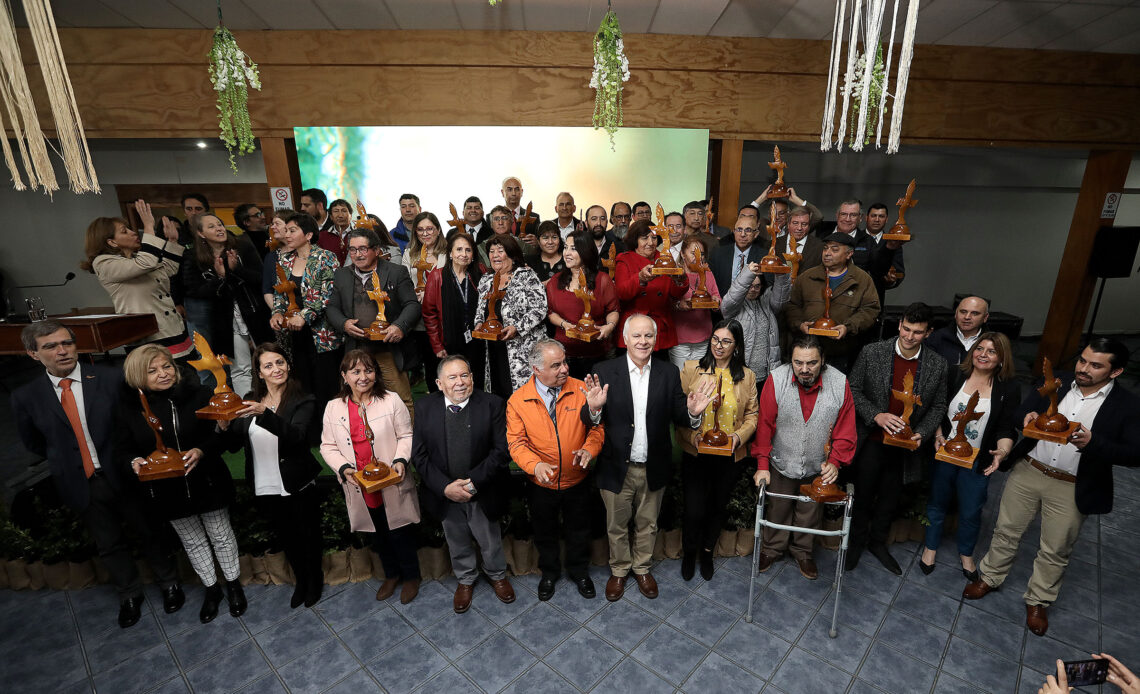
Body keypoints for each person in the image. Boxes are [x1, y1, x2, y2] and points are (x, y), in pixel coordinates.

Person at [964, 338, 1140, 637]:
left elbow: (1134, 454)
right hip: (1029, 470)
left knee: (1056, 548)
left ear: (1116, 372)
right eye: (1082, 360)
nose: (1084, 369)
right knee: (1006, 530)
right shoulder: (1056, 381)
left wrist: (1094, 443)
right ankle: (990, 577)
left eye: (1095, 365)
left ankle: (1038, 601)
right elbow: (1021, 413)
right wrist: (1027, 417)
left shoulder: (1127, 405)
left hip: (1072, 484)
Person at [11, 321, 181, 628]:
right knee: (108, 543)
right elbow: (35, 443)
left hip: (125, 472)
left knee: (149, 531)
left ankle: (170, 583)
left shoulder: (110, 378)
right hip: (79, 481)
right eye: (50, 346)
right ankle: (129, 593)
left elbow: (137, 420)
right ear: (33, 354)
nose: (62, 351)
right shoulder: (26, 397)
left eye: (67, 343)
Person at [586, 314, 714, 601]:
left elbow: (681, 413)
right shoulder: (604, 371)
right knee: (616, 526)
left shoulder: (668, 373)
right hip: (615, 465)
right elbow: (589, 419)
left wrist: (693, 412)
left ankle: (642, 568)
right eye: (637, 336)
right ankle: (619, 572)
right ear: (625, 339)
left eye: (648, 336)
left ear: (656, 340)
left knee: (648, 524)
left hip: (653, 464)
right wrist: (593, 409)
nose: (643, 341)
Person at [117, 344, 244, 624]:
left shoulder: (200, 394)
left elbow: (224, 440)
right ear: (138, 376)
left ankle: (234, 586)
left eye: (166, 367)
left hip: (208, 480)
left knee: (221, 535)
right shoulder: (131, 409)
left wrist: (202, 449)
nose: (163, 374)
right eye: (152, 371)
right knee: (193, 541)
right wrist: (135, 461)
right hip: (166, 490)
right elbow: (123, 448)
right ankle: (212, 590)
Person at [846, 302, 948, 574]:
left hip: (905, 446)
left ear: (928, 333)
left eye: (917, 332)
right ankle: (855, 543)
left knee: (891, 496)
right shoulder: (872, 352)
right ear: (899, 324)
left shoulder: (937, 365)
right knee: (863, 494)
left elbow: (939, 405)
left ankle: (877, 543)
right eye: (906, 328)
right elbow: (853, 389)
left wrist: (922, 433)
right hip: (872, 440)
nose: (909, 336)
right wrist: (876, 415)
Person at [221, 343, 324, 608]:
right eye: (268, 365)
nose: (276, 369)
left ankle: (315, 581)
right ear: (259, 372)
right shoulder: (248, 397)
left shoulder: (303, 399)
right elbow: (234, 444)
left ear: (288, 365)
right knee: (287, 537)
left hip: (297, 481)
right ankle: (301, 581)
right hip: (265, 483)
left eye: (280, 362)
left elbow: (298, 438)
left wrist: (265, 414)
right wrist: (223, 427)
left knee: (308, 535)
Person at [411, 355, 514, 613]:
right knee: (456, 539)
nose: (460, 382)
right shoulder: (424, 408)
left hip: (483, 488)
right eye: (452, 377)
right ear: (439, 383)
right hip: (446, 493)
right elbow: (419, 456)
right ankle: (466, 579)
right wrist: (446, 487)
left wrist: (473, 483)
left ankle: (497, 574)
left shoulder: (492, 404)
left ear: (472, 377)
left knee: (489, 539)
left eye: (465, 375)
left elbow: (502, 451)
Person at [320, 350, 423, 604]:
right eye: (355, 372)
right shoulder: (334, 407)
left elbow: (407, 435)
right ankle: (391, 574)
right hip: (360, 484)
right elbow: (327, 446)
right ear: (344, 376)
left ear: (376, 374)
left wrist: (400, 460)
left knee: (399, 530)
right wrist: (344, 469)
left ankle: (411, 577)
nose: (363, 377)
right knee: (377, 531)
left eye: (368, 370)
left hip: (391, 481)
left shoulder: (392, 400)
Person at [752, 335, 856, 579]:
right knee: (777, 508)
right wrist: (762, 464)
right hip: (781, 460)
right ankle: (771, 548)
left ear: (823, 361)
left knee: (809, 513)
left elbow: (846, 428)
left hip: (817, 465)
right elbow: (764, 425)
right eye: (798, 363)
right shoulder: (776, 379)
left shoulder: (840, 383)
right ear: (791, 361)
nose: (804, 369)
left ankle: (803, 552)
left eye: (811, 363)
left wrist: (836, 462)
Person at [507, 340, 605, 601]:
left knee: (579, 530)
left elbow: (597, 429)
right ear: (536, 370)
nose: (564, 368)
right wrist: (534, 465)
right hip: (542, 484)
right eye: (556, 365)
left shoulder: (582, 388)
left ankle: (579, 572)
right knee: (545, 532)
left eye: (564, 362)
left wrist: (589, 450)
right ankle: (549, 573)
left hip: (578, 479)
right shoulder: (518, 401)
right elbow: (516, 443)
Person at [921, 332, 1019, 580]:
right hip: (944, 454)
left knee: (971, 510)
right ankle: (930, 547)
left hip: (978, 460)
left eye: (991, 351)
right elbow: (936, 408)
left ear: (1001, 358)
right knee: (937, 503)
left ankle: (966, 553)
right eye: (980, 348)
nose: (983, 355)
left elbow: (1007, 428)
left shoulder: (1009, 388)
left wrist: (1003, 452)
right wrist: (938, 434)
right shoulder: (954, 374)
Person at [678, 320, 759, 580]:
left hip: (729, 456)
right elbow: (679, 412)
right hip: (697, 454)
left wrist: (738, 437)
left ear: (736, 346)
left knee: (717, 506)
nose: (718, 346)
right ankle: (689, 552)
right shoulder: (691, 369)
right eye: (715, 339)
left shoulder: (747, 376)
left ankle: (706, 552)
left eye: (726, 341)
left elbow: (752, 415)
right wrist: (693, 438)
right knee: (694, 509)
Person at [82, 200, 193, 359]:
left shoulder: (137, 259)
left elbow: (168, 268)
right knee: (162, 378)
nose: (133, 232)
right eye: (124, 231)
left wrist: (173, 242)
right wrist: (148, 226)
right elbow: (146, 262)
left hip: (171, 328)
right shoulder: (103, 263)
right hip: (149, 336)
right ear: (112, 242)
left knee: (186, 376)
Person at [326, 228, 419, 414]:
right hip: (357, 348)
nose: (357, 254)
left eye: (363, 249)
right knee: (357, 399)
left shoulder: (396, 271)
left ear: (376, 250)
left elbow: (412, 305)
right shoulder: (342, 275)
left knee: (401, 400)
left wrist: (399, 326)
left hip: (388, 347)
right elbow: (332, 307)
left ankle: (409, 442)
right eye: (353, 250)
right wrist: (344, 324)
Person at [180, 212, 271, 396]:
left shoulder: (242, 246)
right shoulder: (193, 256)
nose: (219, 228)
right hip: (224, 319)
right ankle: (248, 410)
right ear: (201, 234)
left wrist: (236, 269)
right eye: (211, 226)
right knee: (239, 368)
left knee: (269, 359)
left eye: (220, 224)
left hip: (253, 312)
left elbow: (261, 278)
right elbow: (194, 290)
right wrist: (220, 277)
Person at [269, 212, 343, 409]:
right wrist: (277, 312)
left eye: (293, 230)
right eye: (286, 231)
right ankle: (309, 429)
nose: (287, 235)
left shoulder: (326, 257)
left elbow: (328, 295)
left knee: (327, 383)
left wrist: (305, 315)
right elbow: (280, 293)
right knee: (302, 381)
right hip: (295, 332)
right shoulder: (285, 261)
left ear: (309, 235)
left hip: (323, 333)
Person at [785, 231, 881, 373]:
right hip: (807, 350)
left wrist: (848, 327)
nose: (827, 253)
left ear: (849, 254)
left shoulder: (862, 279)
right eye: (825, 248)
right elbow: (792, 305)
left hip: (842, 351)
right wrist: (799, 324)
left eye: (834, 249)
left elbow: (870, 310)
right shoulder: (807, 277)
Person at [475, 234, 548, 395]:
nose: (495, 255)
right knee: (497, 391)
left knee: (522, 396)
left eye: (500, 251)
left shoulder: (527, 276)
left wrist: (517, 327)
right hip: (494, 347)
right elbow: (480, 309)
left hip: (522, 349)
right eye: (492, 251)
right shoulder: (486, 279)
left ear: (512, 254)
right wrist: (479, 324)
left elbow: (540, 308)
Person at [545, 230, 619, 378]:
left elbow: (613, 310)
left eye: (573, 249)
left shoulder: (602, 280)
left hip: (597, 355)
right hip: (563, 356)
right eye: (565, 247)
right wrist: (565, 325)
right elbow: (550, 312)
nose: (567, 253)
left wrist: (609, 327)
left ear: (586, 251)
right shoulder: (555, 281)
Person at [614, 220, 689, 356]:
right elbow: (621, 293)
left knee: (659, 373)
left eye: (654, 238)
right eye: (644, 238)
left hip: (660, 328)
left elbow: (675, 293)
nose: (650, 242)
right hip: (635, 328)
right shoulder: (625, 259)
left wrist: (681, 279)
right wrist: (640, 279)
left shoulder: (664, 259)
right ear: (635, 240)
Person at [422, 232, 485, 389]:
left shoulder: (482, 273)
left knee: (476, 382)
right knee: (455, 385)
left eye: (468, 250)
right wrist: (437, 346)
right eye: (459, 250)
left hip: (478, 341)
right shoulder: (437, 276)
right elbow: (430, 314)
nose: (463, 254)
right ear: (450, 253)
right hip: (448, 342)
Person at [721, 262, 791, 384]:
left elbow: (781, 300)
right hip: (740, 374)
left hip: (766, 374)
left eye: (757, 286)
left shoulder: (766, 303)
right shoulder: (733, 308)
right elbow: (731, 299)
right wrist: (747, 274)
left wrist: (782, 275)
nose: (753, 290)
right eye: (749, 285)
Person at [401, 211, 449, 391]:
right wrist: (415, 295)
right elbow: (404, 284)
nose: (425, 233)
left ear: (437, 230)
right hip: (420, 319)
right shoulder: (409, 254)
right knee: (430, 363)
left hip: (443, 316)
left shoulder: (448, 253)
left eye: (429, 229)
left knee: (446, 362)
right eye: (420, 230)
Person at [670, 235, 721, 369]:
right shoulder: (675, 274)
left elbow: (717, 297)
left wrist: (715, 302)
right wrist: (678, 305)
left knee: (700, 380)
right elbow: (666, 302)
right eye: (693, 253)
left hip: (703, 338)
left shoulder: (707, 273)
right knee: (681, 380)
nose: (698, 257)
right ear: (682, 253)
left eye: (701, 254)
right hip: (680, 341)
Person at [709, 210, 765, 296]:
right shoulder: (718, 254)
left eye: (748, 230)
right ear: (734, 232)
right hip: (723, 305)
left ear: (756, 234)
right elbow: (710, 284)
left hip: (751, 306)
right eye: (739, 229)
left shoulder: (763, 256)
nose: (743, 234)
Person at [927, 295, 990, 366]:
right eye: (963, 312)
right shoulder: (936, 338)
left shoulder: (994, 342)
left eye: (974, 313)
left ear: (985, 317)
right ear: (956, 314)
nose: (967, 317)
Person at [863, 202, 905, 305]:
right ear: (866, 217)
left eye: (881, 216)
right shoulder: (856, 239)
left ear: (886, 219)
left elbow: (899, 271)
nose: (877, 220)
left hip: (878, 296)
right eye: (873, 216)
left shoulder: (893, 243)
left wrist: (891, 281)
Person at [775, 205, 824, 273]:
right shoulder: (773, 244)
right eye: (795, 223)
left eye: (804, 224)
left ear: (809, 227)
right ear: (788, 225)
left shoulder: (819, 247)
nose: (799, 228)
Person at [499, 176, 541, 244]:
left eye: (517, 189)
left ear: (522, 192)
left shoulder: (534, 217)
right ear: (502, 192)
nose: (513, 193)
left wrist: (538, 243)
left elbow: (541, 241)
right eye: (509, 189)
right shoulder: (492, 218)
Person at [316, 198, 355, 265]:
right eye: (336, 211)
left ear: (350, 215)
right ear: (330, 216)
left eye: (344, 211)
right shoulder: (321, 236)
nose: (340, 215)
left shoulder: (359, 234)